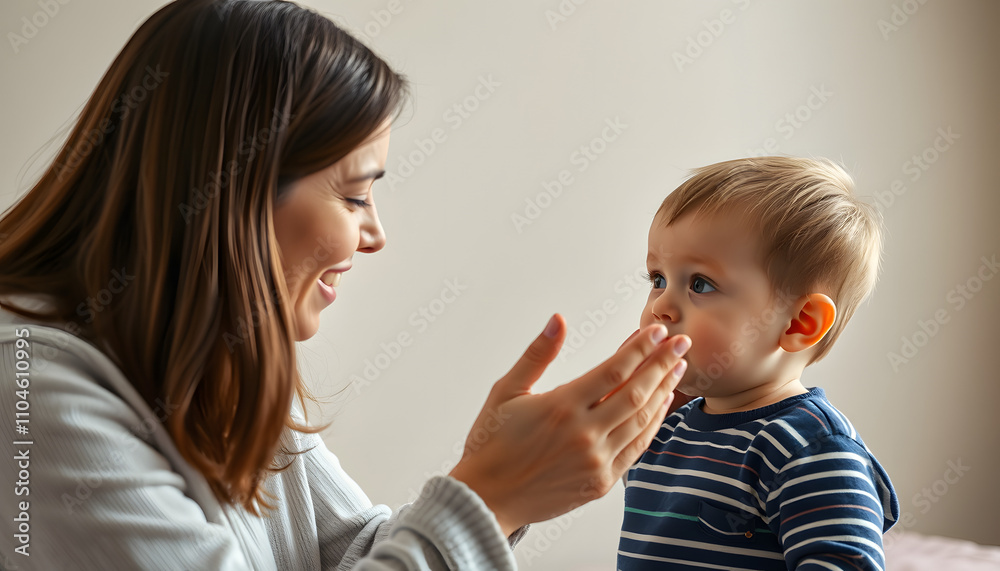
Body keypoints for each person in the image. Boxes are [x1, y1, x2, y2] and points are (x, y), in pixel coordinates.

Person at [0, 1, 693, 569]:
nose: (374, 235)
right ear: (234, 190)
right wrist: (490, 496)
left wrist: (489, 474)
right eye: (356, 195)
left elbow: (354, 554)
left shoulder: (215, 370)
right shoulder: (30, 397)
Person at [617, 157, 900, 570]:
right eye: (658, 278)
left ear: (799, 323)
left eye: (699, 284)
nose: (661, 305)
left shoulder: (810, 450)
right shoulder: (666, 431)